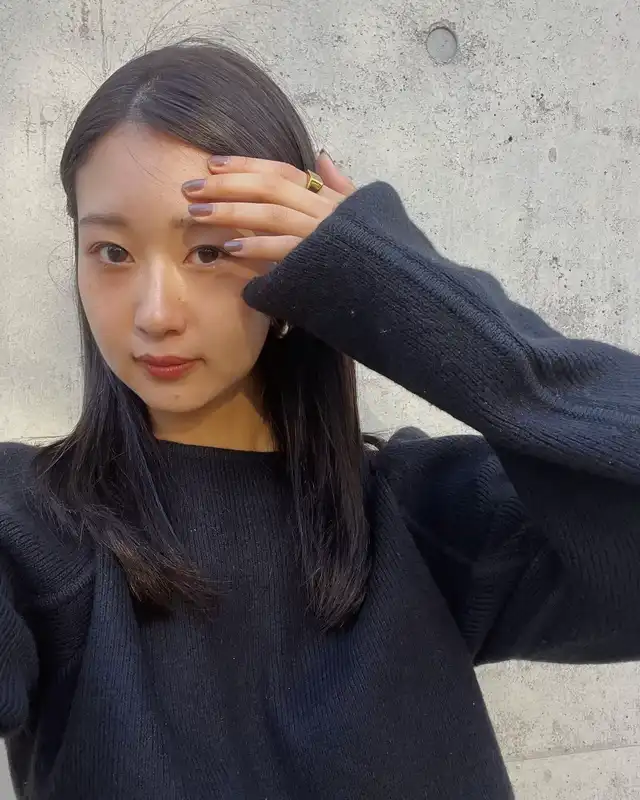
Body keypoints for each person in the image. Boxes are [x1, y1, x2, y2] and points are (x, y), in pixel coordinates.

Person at [0, 38, 638, 800]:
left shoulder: (419, 519)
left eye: (209, 252)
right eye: (111, 252)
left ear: (298, 266)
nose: (155, 313)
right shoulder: (27, 527)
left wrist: (397, 283)